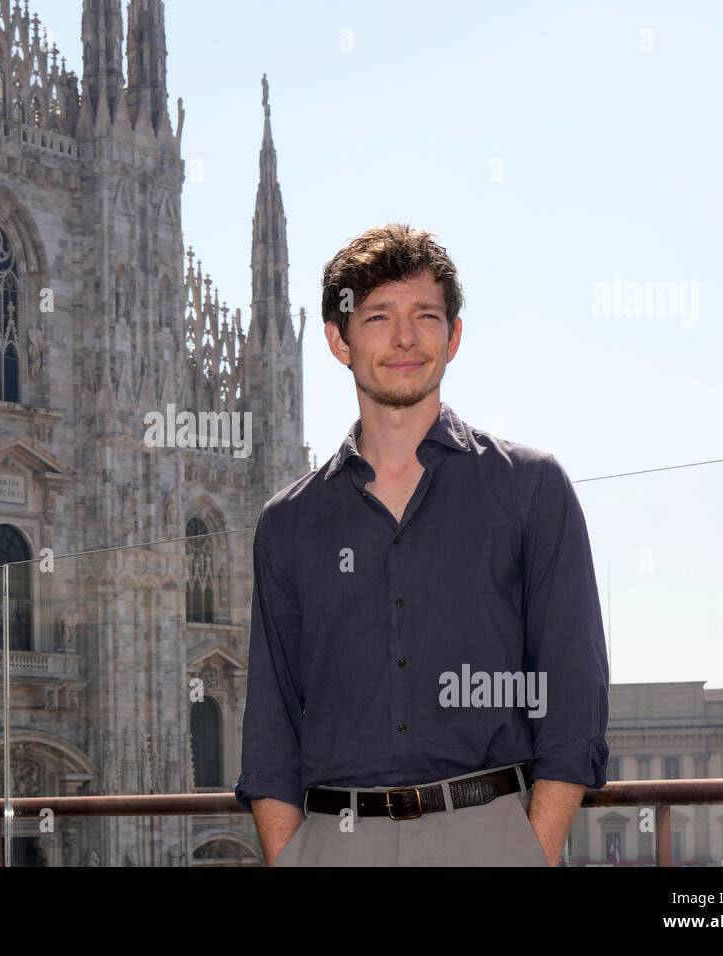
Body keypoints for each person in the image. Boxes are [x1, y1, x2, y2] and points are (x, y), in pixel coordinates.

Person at [235, 224, 609, 866]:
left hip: (488, 836)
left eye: (425, 316)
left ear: (453, 336)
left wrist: (530, 851)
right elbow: (271, 722)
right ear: (337, 339)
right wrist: (291, 856)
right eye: (378, 316)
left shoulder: (530, 488)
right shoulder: (289, 522)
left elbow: (573, 693)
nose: (404, 337)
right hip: (335, 844)